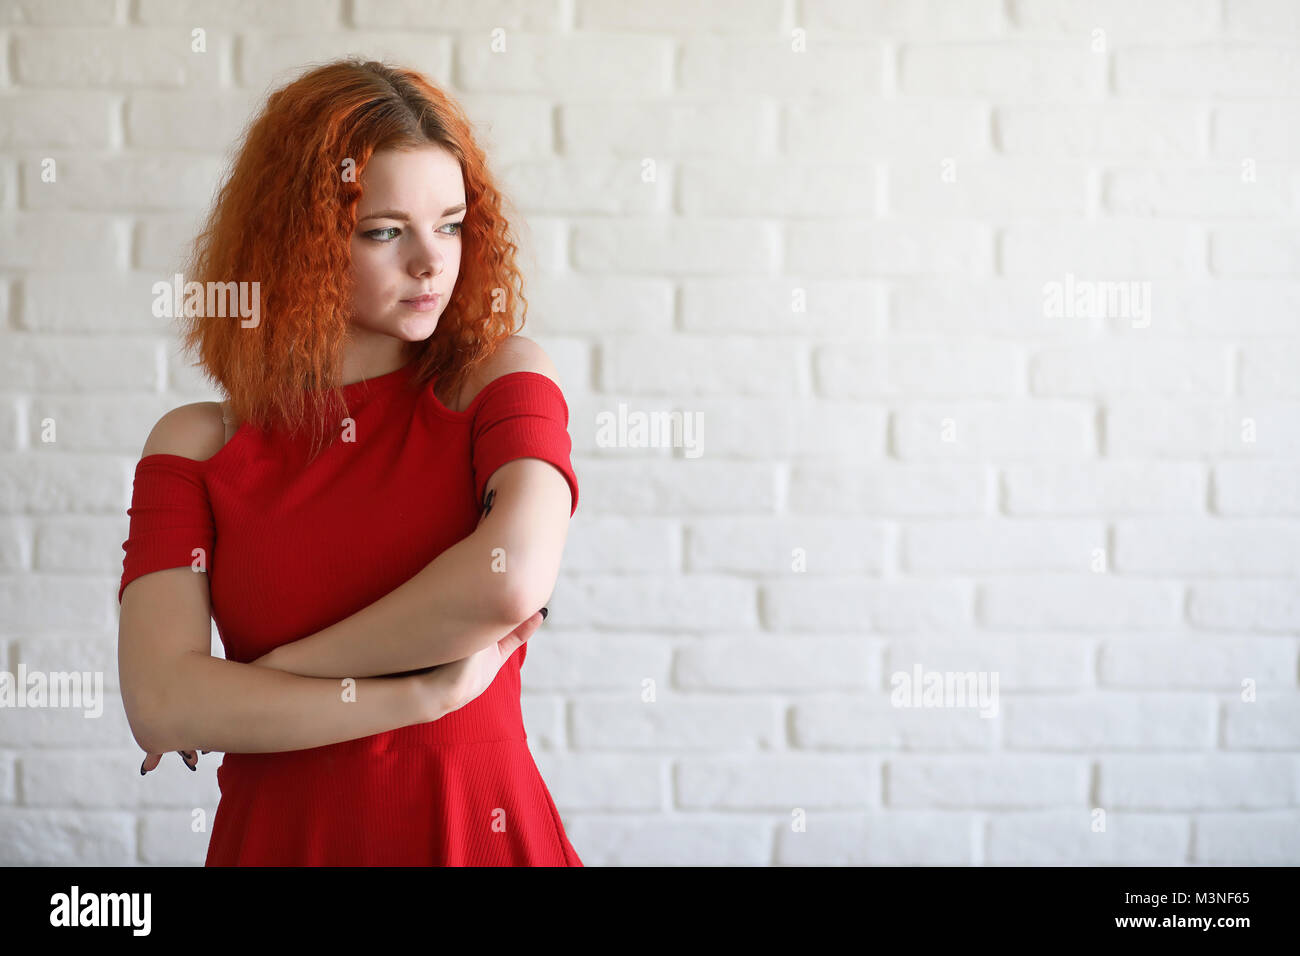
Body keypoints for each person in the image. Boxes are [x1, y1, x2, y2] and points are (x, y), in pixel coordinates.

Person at [116, 58, 582, 866]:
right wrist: (423, 692)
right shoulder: (196, 443)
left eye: (451, 223)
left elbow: (510, 580)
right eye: (384, 231)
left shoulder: (500, 380)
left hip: (474, 838)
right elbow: (160, 703)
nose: (432, 262)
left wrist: (264, 677)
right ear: (299, 242)